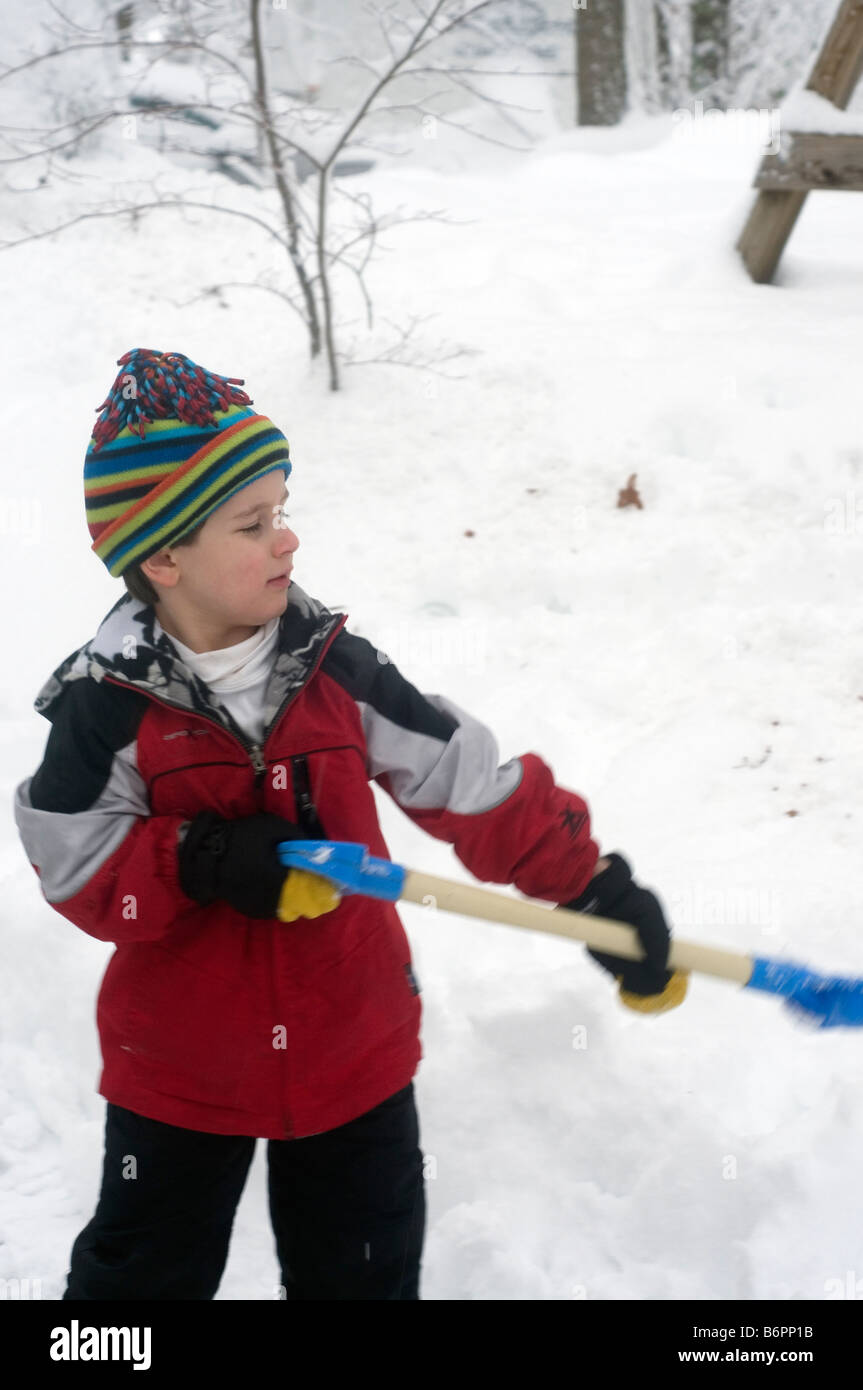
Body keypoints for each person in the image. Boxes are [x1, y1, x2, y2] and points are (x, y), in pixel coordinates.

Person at [13, 348, 688, 1302]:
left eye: (281, 513)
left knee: (364, 1280)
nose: (287, 541)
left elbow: (469, 782)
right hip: (179, 1072)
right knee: (137, 1291)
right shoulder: (106, 705)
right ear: (162, 557)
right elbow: (73, 866)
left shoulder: (332, 668)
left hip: (352, 1051)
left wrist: (594, 891)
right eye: (253, 523)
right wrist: (199, 859)